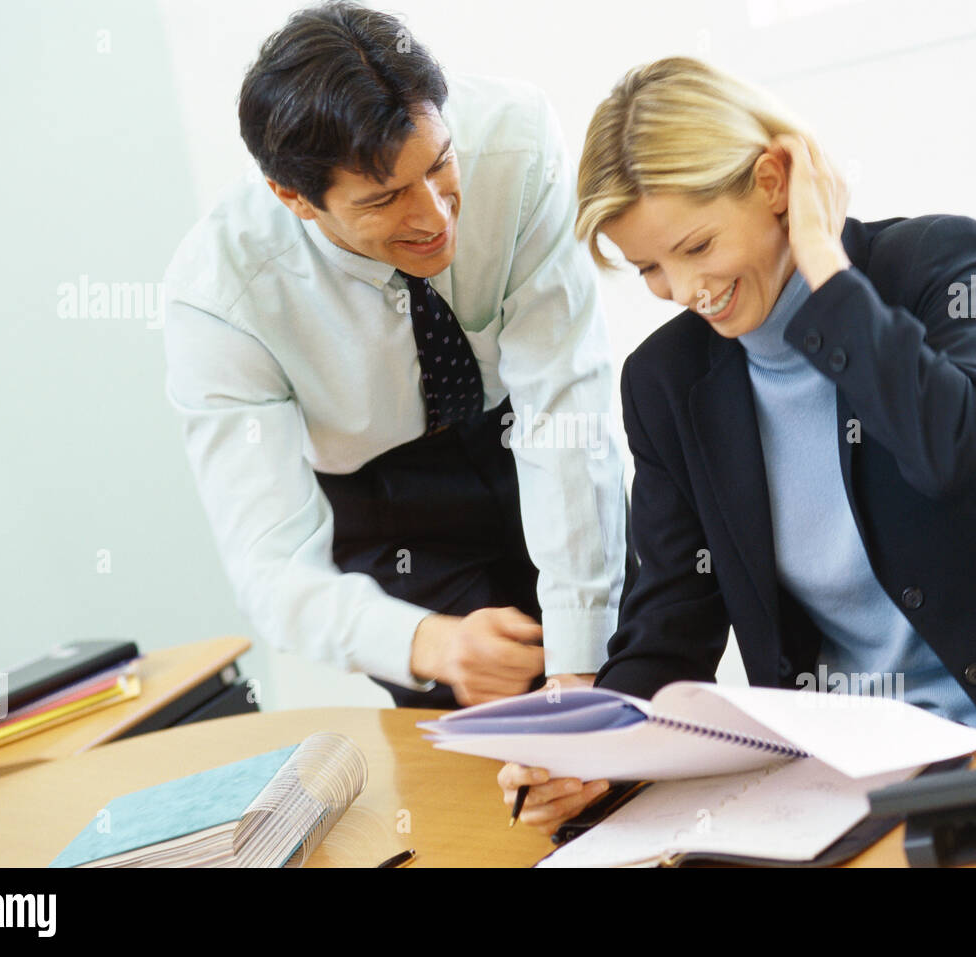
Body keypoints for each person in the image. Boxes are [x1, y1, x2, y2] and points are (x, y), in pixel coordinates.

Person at [499, 55, 976, 833]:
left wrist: (826, 270)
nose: (685, 290)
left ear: (772, 183)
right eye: (650, 270)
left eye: (696, 246)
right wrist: (589, 749)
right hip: (852, 776)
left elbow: (951, 451)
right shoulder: (665, 383)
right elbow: (670, 620)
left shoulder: (938, 264)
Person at [161, 1, 630, 709]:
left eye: (439, 166)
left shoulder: (516, 140)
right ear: (294, 197)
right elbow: (270, 564)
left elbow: (565, 400)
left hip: (529, 426)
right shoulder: (220, 297)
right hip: (386, 502)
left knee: (631, 678)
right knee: (493, 752)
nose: (437, 218)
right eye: (384, 199)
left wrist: (581, 663)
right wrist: (429, 643)